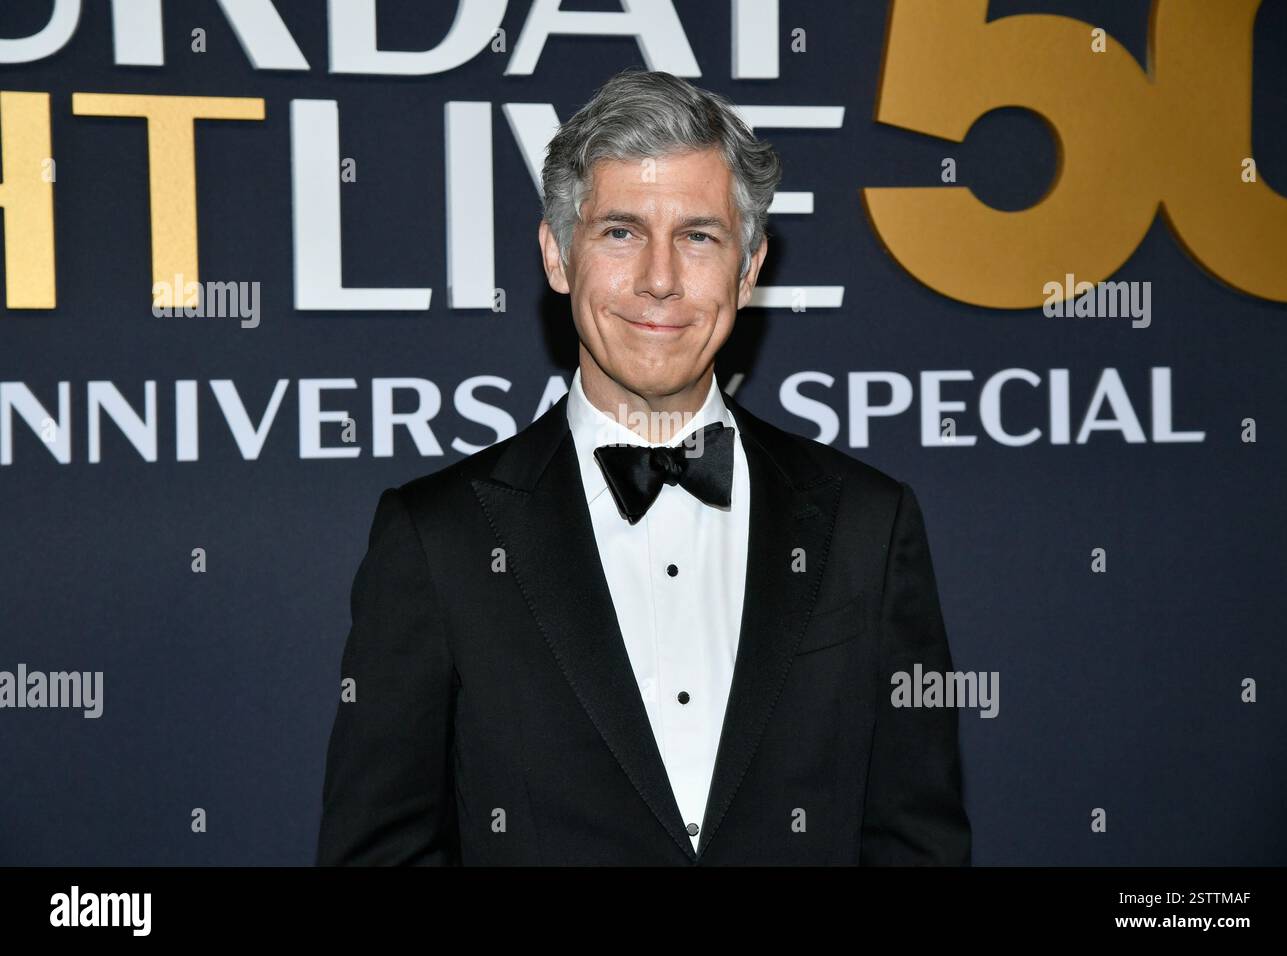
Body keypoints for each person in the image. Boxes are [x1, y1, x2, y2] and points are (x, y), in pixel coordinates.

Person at [316, 68, 971, 865]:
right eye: (621, 232)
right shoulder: (439, 538)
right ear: (557, 256)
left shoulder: (868, 522)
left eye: (698, 236)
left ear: (749, 266)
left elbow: (917, 843)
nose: (660, 279)